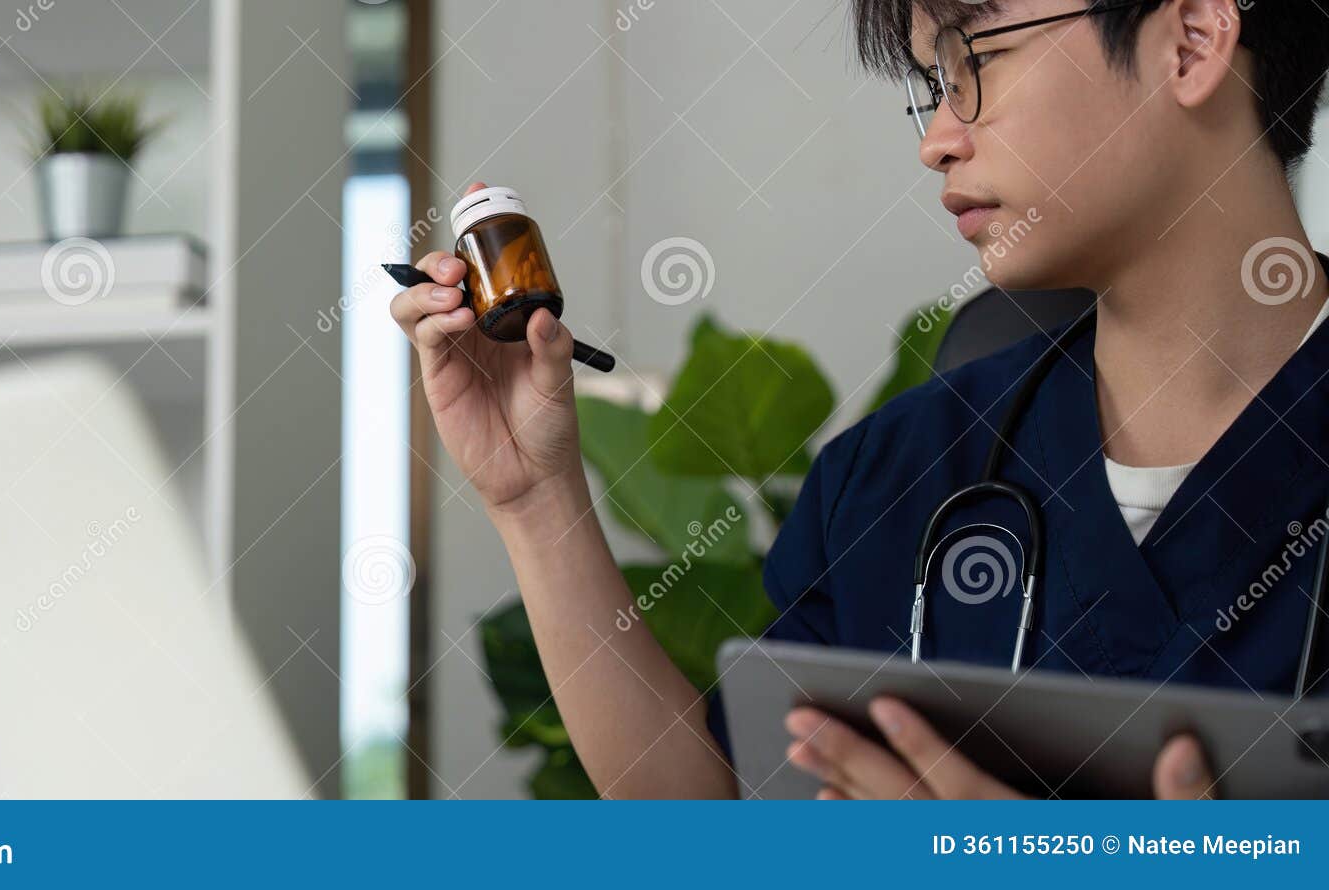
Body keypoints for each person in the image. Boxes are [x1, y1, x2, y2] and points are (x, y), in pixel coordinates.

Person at [388, 0, 1329, 799]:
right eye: (932, 83)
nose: (936, 141)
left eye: (978, 61)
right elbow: (729, 825)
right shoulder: (895, 476)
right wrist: (537, 499)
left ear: (1193, 41)